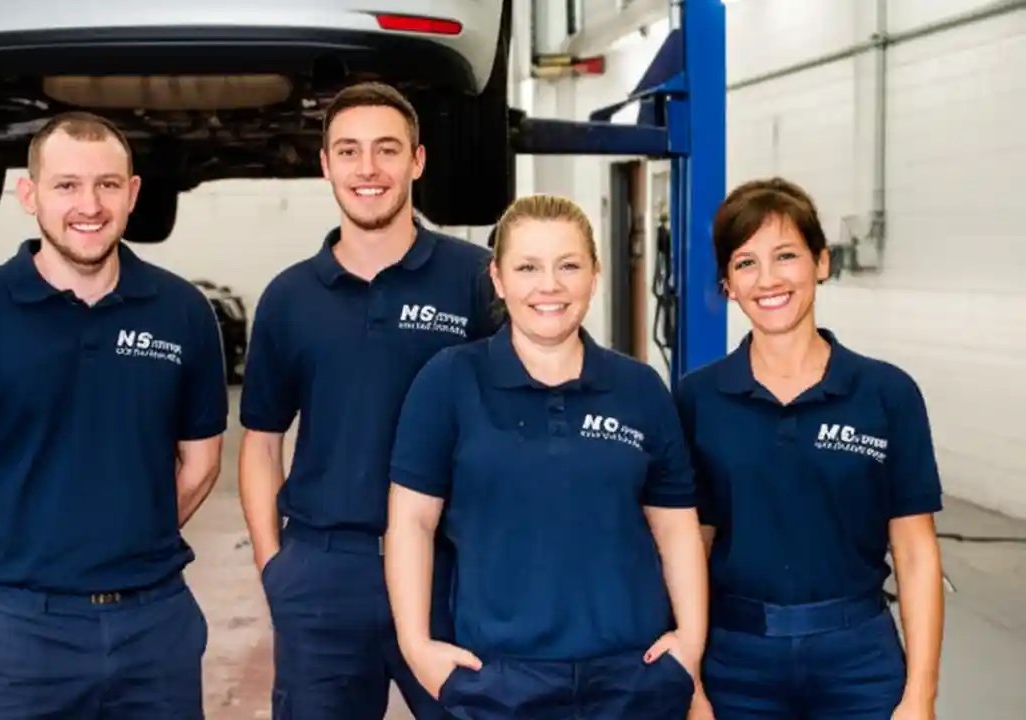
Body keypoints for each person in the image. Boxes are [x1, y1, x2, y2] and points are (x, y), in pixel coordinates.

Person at [0, 111, 227, 719]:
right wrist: (10, 572)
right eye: (67, 185)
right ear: (30, 195)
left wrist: (131, 538)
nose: (90, 205)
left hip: (153, 630)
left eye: (107, 184)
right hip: (19, 636)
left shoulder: (181, 313)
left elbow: (202, 461)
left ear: (132, 195)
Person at [385, 194, 712, 719]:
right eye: (528, 267)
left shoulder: (639, 388)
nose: (549, 286)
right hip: (498, 682)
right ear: (498, 278)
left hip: (632, 679)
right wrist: (415, 647)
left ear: (594, 274)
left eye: (568, 266)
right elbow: (410, 523)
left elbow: (675, 526)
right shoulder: (449, 381)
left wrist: (690, 644)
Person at [238, 81, 499, 720]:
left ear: (417, 161)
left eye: (387, 150)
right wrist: (277, 569)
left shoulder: (474, 277)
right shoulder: (290, 297)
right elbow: (262, 440)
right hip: (325, 573)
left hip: (451, 567)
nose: (368, 169)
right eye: (349, 151)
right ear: (325, 165)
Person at [675, 177, 945, 719]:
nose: (767, 279)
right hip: (737, 661)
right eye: (745, 263)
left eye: (786, 256)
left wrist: (920, 695)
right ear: (727, 283)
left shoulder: (886, 394)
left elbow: (915, 555)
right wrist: (693, 684)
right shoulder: (697, 398)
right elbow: (690, 550)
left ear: (821, 262)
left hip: (859, 660)